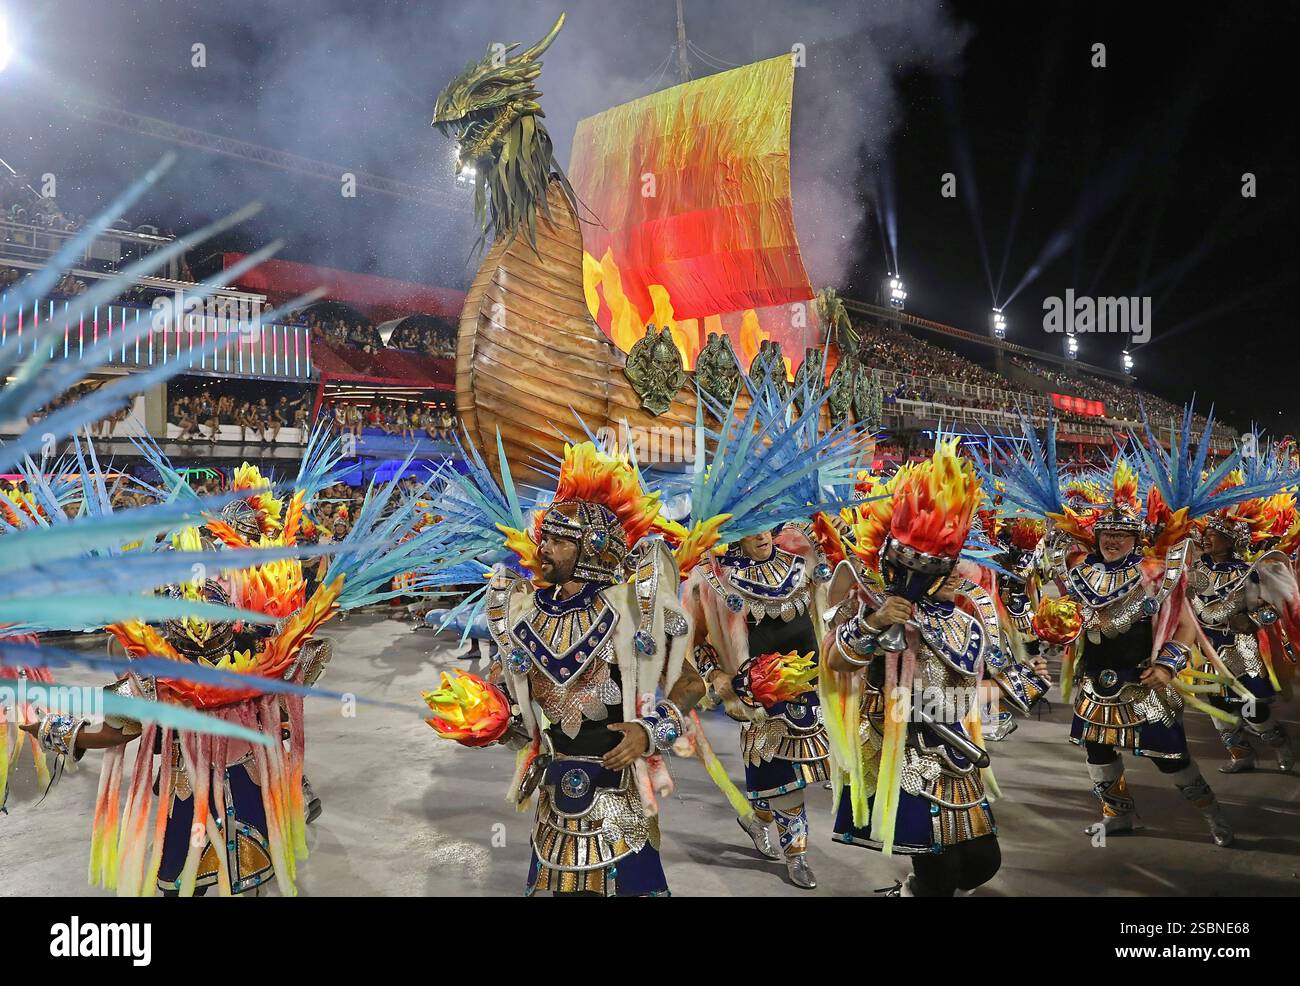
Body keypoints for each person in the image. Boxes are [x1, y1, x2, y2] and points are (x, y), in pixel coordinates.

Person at [422, 440, 704, 896]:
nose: (544, 548)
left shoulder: (634, 610)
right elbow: (514, 706)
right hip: (556, 792)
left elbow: (692, 682)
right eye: (544, 538)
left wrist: (648, 733)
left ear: (591, 547)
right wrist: (484, 719)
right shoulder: (523, 614)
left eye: (557, 540)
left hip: (620, 790)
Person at [822, 440, 1050, 897]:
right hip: (904, 755)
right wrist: (874, 622)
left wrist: (1021, 680)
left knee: (984, 863)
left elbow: (988, 680)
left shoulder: (968, 617)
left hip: (957, 752)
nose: (955, 578)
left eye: (953, 569)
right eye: (941, 573)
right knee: (939, 874)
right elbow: (839, 664)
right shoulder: (879, 612)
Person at [682, 524, 833, 888]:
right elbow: (696, 639)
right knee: (778, 774)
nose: (763, 537)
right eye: (753, 532)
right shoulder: (714, 578)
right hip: (756, 693)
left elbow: (836, 602)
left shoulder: (803, 560)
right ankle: (796, 852)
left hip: (807, 684)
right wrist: (715, 673)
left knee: (804, 769)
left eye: (768, 530)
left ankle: (757, 819)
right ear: (737, 535)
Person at [1185, 510, 1296, 772]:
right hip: (1207, 647)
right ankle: (1240, 754)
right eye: (1206, 534)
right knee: (1218, 706)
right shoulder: (1194, 569)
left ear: (1231, 540)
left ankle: (1280, 744)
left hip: (1240, 647)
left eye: (1214, 535)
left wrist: (1253, 620)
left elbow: (1275, 608)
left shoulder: (1249, 573)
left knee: (1251, 707)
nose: (1208, 539)